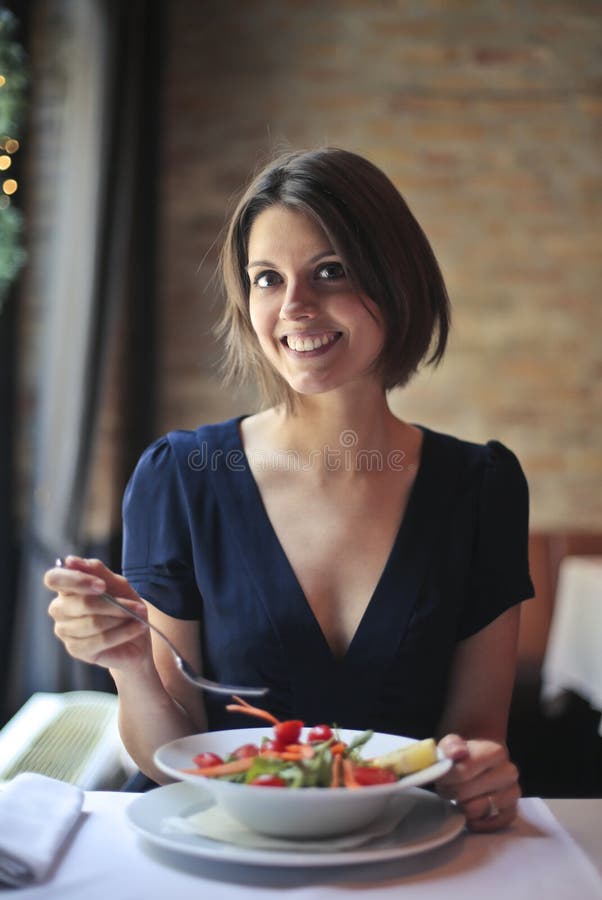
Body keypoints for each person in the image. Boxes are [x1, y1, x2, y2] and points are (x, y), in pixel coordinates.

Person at [45, 147, 534, 832]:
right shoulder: (179, 478)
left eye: (329, 272)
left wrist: (480, 773)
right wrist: (129, 667)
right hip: (208, 854)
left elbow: (474, 739)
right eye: (267, 279)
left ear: (396, 280)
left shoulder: (482, 488)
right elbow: (167, 756)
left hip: (392, 861)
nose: (295, 307)